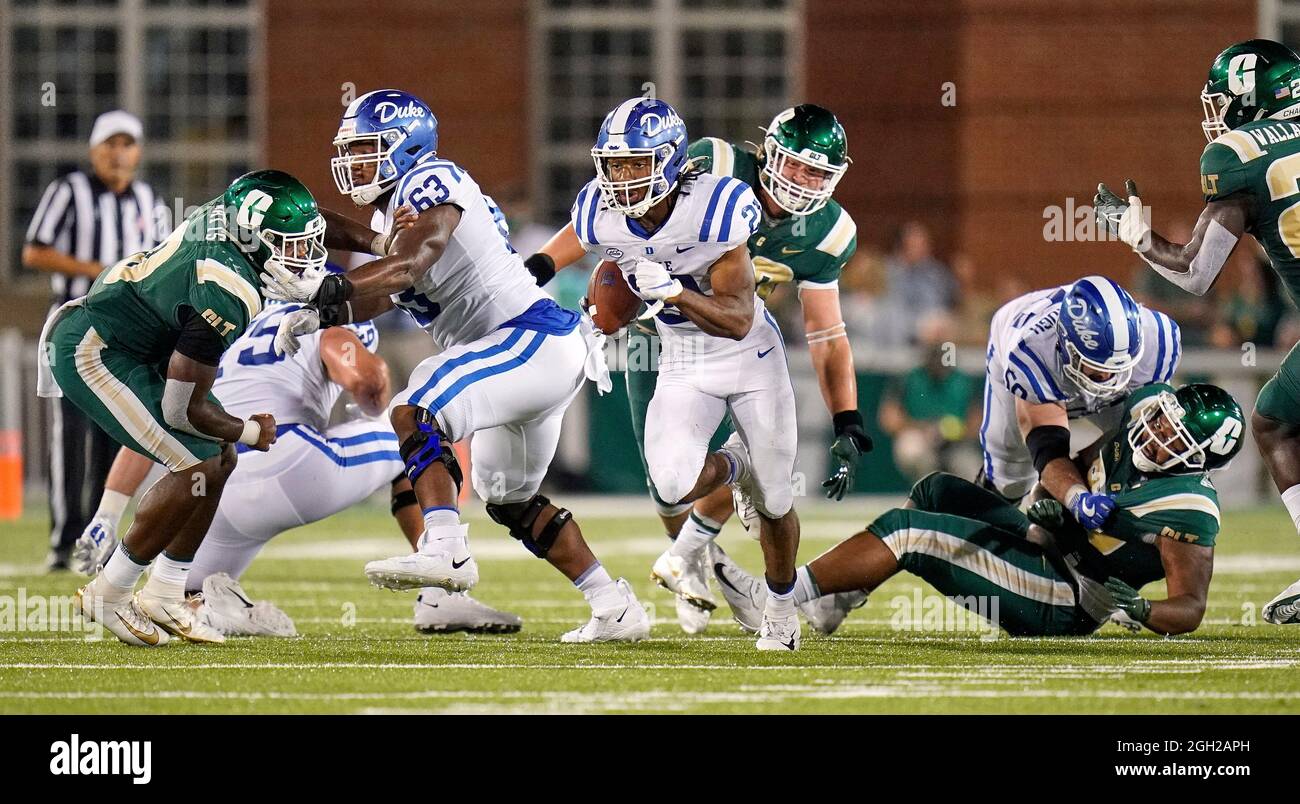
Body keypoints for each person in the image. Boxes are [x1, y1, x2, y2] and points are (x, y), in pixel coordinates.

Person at [275, 89, 648, 643]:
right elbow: (389, 290)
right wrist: (322, 308)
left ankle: (446, 549)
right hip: (529, 356)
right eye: (350, 151)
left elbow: (405, 268)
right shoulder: (398, 211)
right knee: (511, 500)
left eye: (366, 148)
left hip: (530, 338)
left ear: (406, 147)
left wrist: (329, 290)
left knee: (415, 405)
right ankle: (614, 606)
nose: (354, 163)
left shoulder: (433, 179)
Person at [527, 103, 868, 635]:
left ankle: (746, 577)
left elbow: (826, 331)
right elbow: (607, 223)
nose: (802, 181)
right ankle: (699, 562)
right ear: (769, 153)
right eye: (795, 165)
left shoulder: (827, 233)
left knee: (772, 485)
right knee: (666, 480)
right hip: (657, 336)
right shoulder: (716, 167)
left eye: (817, 172)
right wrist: (536, 274)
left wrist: (847, 417)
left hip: (737, 335)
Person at [71, 285, 521, 636]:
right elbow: (364, 374)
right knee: (418, 433)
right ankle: (439, 593)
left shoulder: (226, 324)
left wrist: (107, 514)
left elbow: (154, 428)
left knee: (192, 590)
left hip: (214, 491)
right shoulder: (324, 321)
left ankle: (210, 601)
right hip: (286, 462)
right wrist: (374, 391)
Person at [38, 169, 329, 646]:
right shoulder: (227, 288)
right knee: (199, 458)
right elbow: (180, 410)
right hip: (94, 349)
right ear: (255, 241)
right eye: (290, 245)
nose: (305, 257)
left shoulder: (229, 220)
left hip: (135, 346)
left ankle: (167, 590)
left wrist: (378, 241)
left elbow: (320, 224)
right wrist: (252, 431)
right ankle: (109, 591)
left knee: (218, 457)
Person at [714, 382, 1244, 638]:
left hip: (1069, 594)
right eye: (1160, 421)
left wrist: (1143, 611)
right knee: (937, 490)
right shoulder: (1137, 425)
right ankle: (832, 605)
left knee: (906, 534)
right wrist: (1065, 502)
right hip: (1051, 545)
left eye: (1171, 435)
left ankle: (778, 600)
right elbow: (1069, 466)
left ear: (1199, 456)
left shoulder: (1188, 508)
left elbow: (1190, 609)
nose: (1153, 432)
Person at [1092, 38, 1300, 623]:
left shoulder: (1239, 155)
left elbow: (1195, 274)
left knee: (1277, 423)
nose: (1215, 112)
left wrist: (1136, 236)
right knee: (1278, 415)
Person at [23, 110, 170, 570]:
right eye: (110, 144)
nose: (118, 154)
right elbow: (35, 250)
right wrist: (102, 273)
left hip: (127, 335)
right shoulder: (69, 191)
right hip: (73, 327)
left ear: (138, 152)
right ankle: (64, 542)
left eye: (127, 145)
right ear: (94, 150)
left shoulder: (151, 200)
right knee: (70, 437)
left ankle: (101, 538)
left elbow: (164, 261)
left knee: (119, 432)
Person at [977, 276, 1180, 522]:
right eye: (1097, 368)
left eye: (1116, 368)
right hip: (1021, 350)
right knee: (1010, 477)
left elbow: (1147, 436)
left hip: (1087, 374)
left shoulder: (1157, 338)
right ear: (1066, 347)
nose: (1108, 377)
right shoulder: (1033, 351)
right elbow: (1048, 450)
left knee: (1147, 441)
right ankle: (976, 526)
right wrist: (1077, 498)